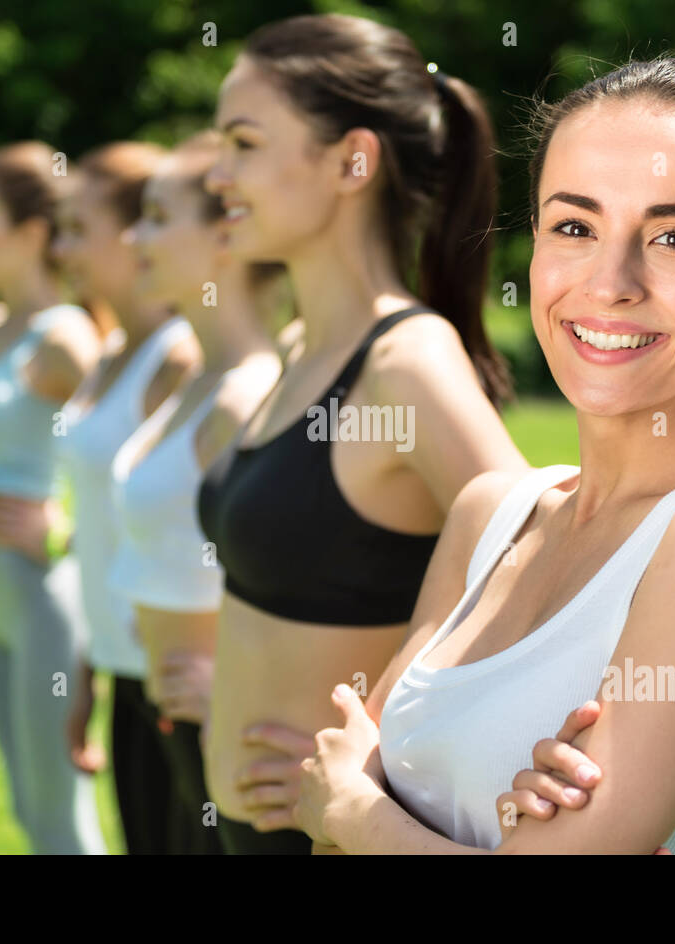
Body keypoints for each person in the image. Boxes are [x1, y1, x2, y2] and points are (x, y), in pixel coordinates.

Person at [293, 57, 675, 854]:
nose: (610, 283)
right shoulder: (491, 515)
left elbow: (336, 799)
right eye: (575, 226)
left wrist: (353, 808)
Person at [197, 13, 529, 854]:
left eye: (242, 142)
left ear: (353, 160)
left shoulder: (408, 360)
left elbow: (537, 566)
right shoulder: (304, 345)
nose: (216, 175)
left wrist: (374, 747)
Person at [109, 132, 287, 854]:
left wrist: (228, 698)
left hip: (224, 736)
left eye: (156, 215)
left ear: (225, 235)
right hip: (167, 717)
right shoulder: (196, 378)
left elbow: (301, 590)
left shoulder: (248, 397)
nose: (133, 235)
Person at [0, 140, 107, 854]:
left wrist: (64, 530)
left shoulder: (62, 338)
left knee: (60, 821)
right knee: (30, 813)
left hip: (46, 606)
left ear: (32, 234)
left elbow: (129, 456)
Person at [51, 141, 201, 853]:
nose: (62, 248)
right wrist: (87, 669)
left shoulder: (177, 360)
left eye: (79, 228)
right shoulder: (110, 352)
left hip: (172, 675)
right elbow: (98, 529)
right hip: (124, 666)